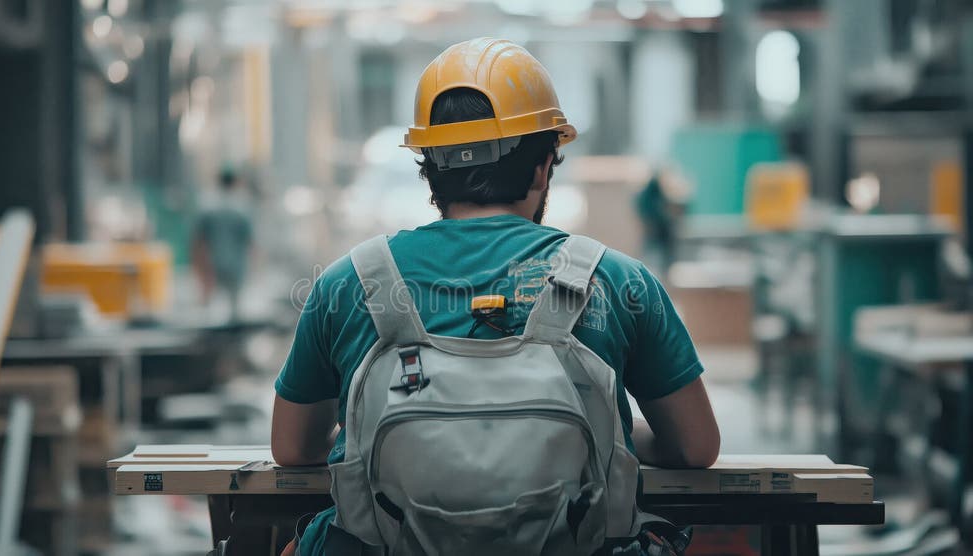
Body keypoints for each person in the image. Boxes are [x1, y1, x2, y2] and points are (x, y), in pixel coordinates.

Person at [272, 38, 719, 556]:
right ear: (542, 165)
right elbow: (696, 446)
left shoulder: (349, 282)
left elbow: (292, 447)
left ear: (429, 168)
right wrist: (606, 432)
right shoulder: (618, 281)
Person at [191, 166, 254, 321]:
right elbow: (250, 242)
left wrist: (199, 266)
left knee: (207, 311)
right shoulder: (242, 208)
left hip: (212, 265)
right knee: (235, 309)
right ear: (235, 182)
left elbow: (198, 240)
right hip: (236, 267)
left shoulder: (207, 207)